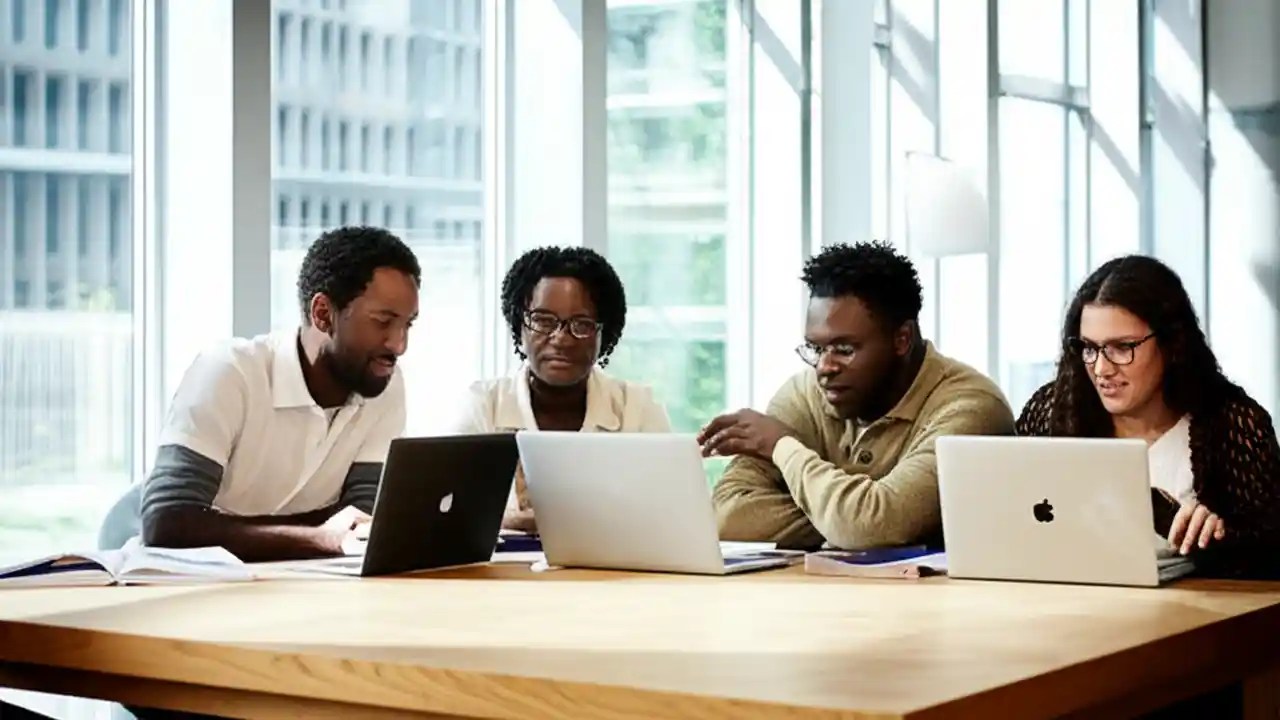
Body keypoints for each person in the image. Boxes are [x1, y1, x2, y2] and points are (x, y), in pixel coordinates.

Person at [131, 226, 420, 562]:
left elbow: (362, 518)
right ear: (323, 314)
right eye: (383, 321)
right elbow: (166, 522)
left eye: (408, 324)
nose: (399, 345)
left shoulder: (383, 381)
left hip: (301, 587)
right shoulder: (230, 372)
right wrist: (318, 537)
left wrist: (320, 534)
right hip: (195, 591)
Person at [702, 241, 1014, 550]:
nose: (824, 367)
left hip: (939, 600)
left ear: (902, 339)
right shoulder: (803, 395)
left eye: (844, 350)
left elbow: (871, 525)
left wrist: (784, 447)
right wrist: (845, 519)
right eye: (816, 348)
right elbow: (727, 515)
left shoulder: (971, 407)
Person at [1016, 255, 1280, 575]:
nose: (1101, 368)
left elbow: (1268, 555)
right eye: (1089, 347)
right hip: (1058, 594)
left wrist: (1217, 537)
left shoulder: (1231, 425)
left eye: (1122, 347)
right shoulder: (1051, 408)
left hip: (1185, 610)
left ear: (1171, 344)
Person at [450, 246, 670, 532]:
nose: (561, 339)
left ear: (605, 334)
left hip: (614, 574)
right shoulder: (484, 406)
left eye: (581, 324)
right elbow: (451, 514)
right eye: (543, 320)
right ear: (520, 327)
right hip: (505, 575)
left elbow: (671, 515)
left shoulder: (637, 409)